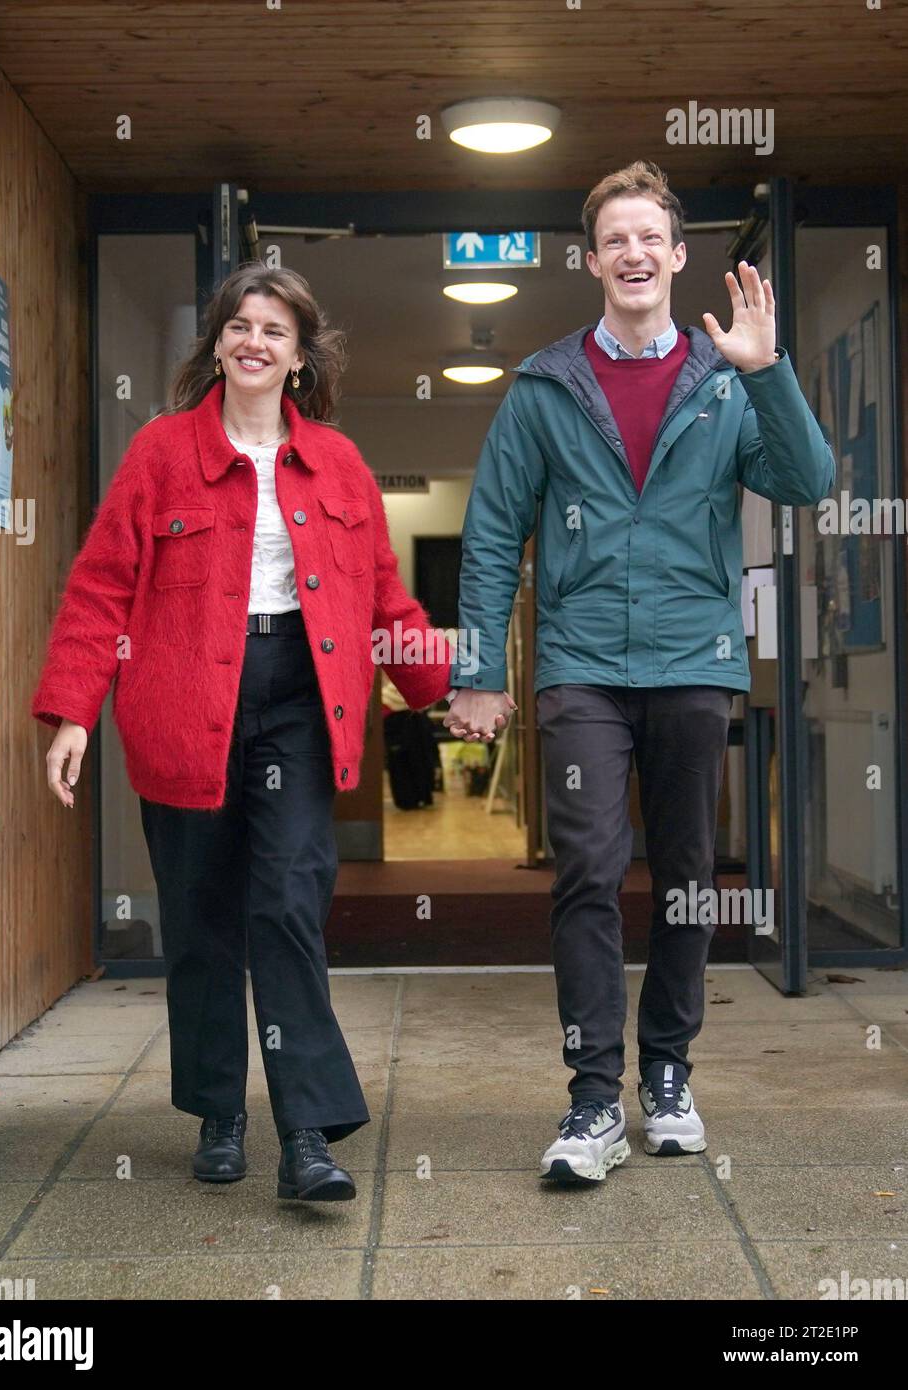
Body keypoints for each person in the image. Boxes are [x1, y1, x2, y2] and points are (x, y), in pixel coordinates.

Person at [444, 160, 835, 1184]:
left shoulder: (722, 378)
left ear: (676, 254)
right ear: (590, 261)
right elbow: (491, 535)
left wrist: (765, 369)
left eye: (648, 237)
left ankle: (667, 1074)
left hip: (693, 661)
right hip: (581, 666)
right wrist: (480, 670)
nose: (632, 253)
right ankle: (590, 1097)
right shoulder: (542, 387)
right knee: (585, 869)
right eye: (613, 239)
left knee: (691, 878)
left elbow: (808, 479)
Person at [31, 265, 451, 1201]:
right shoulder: (160, 452)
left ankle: (308, 1132)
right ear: (217, 342)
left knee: (289, 907)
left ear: (302, 357)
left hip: (300, 702)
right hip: (183, 704)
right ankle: (219, 1111)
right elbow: (102, 585)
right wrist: (71, 711)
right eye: (239, 326)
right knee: (201, 917)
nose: (254, 342)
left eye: (275, 331)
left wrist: (440, 684)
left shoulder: (338, 462)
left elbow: (382, 589)